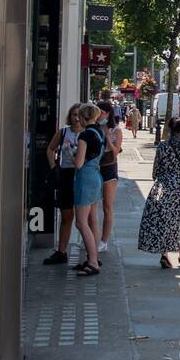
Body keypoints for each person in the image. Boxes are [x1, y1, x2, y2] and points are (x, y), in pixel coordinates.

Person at [139, 116, 180, 268]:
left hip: (165, 185)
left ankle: (164, 253)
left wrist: (158, 179)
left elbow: (156, 168)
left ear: (171, 128)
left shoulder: (163, 146)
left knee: (164, 220)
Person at [43, 105, 83, 265]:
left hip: (81, 175)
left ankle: (91, 256)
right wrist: (54, 168)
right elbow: (50, 149)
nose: (77, 118)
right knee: (66, 215)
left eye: (79, 115)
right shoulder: (63, 132)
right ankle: (61, 251)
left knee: (84, 218)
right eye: (74, 115)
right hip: (66, 174)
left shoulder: (87, 134)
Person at [71, 103, 105, 277]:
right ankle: (94, 257)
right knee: (93, 220)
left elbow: (78, 163)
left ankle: (92, 262)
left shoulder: (84, 135)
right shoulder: (99, 132)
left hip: (85, 178)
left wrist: (69, 152)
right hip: (96, 176)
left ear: (83, 117)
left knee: (81, 222)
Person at [96, 100, 123, 256]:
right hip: (93, 167)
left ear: (107, 113)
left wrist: (107, 137)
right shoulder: (93, 128)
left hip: (108, 168)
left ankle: (103, 241)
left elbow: (115, 151)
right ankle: (94, 237)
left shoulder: (116, 130)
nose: (99, 115)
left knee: (107, 206)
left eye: (101, 112)